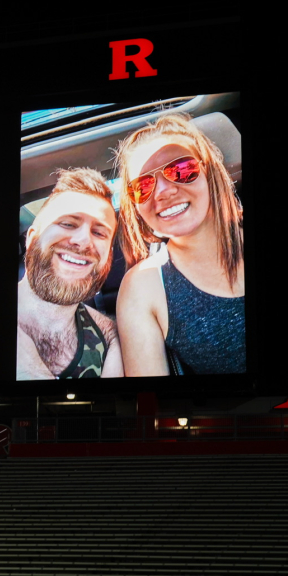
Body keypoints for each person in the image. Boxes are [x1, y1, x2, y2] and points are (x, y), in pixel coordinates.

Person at [114, 113, 245, 376]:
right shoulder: (143, 287)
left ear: (208, 172)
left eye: (181, 170)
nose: (163, 191)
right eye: (143, 186)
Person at [16, 169, 123, 380]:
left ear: (109, 256)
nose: (83, 241)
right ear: (31, 238)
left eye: (99, 232)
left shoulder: (111, 338)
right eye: (68, 224)